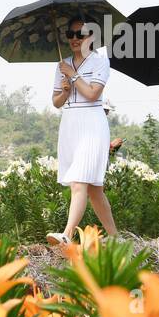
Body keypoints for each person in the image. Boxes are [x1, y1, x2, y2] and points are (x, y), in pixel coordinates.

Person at [47, 16, 119, 247]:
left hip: (92, 123)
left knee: (79, 181)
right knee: (95, 189)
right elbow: (56, 102)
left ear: (91, 37)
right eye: (71, 34)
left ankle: (67, 235)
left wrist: (73, 75)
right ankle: (117, 239)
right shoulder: (62, 64)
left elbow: (92, 94)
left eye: (81, 34)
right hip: (70, 123)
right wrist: (66, 89)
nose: (75, 39)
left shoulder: (100, 61)